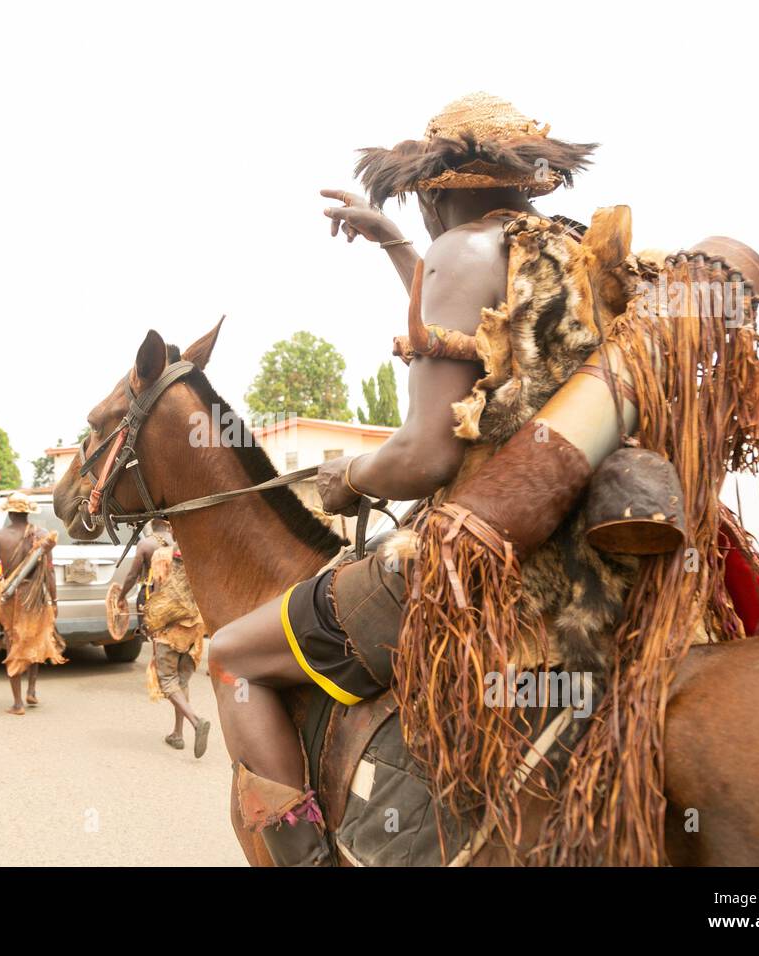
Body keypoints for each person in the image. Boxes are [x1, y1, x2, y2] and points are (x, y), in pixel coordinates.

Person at [206, 93, 608, 865]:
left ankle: (306, 858)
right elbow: (479, 340)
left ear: (436, 189)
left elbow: (426, 456)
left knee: (231, 655)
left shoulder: (462, 249)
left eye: (420, 210)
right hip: (598, 561)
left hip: (499, 557)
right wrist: (394, 244)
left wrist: (352, 474)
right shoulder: (572, 251)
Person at [114, 520, 210, 756]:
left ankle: (196, 722)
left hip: (168, 627)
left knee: (166, 680)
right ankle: (177, 734)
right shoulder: (199, 553)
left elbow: (158, 595)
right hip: (194, 625)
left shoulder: (159, 554)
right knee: (182, 681)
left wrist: (151, 622)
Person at [0, 492, 66, 714]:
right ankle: (31, 691)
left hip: (12, 599)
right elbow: (50, 573)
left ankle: (17, 704)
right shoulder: (42, 536)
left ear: (10, 513)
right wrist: (54, 600)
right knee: (34, 641)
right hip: (37, 597)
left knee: (14, 643)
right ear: (27, 513)